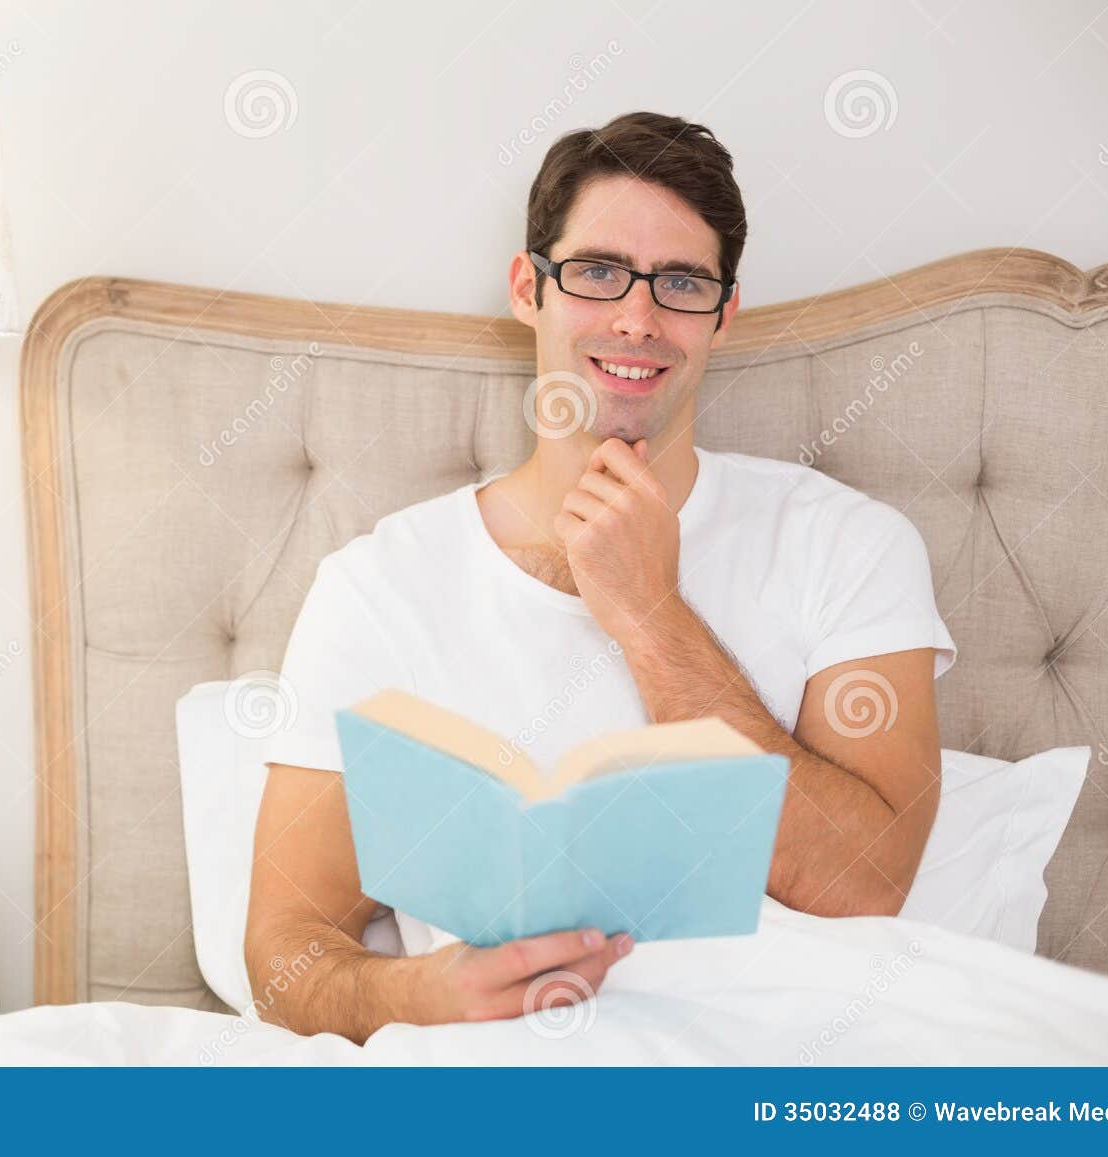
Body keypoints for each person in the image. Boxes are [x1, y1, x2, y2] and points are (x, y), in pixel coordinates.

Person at [245, 112, 956, 1045]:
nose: (637, 317)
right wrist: (426, 994)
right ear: (526, 289)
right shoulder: (378, 587)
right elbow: (285, 954)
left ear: (724, 314)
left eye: (682, 283)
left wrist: (652, 616)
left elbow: (864, 883)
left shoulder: (851, 545)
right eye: (596, 271)